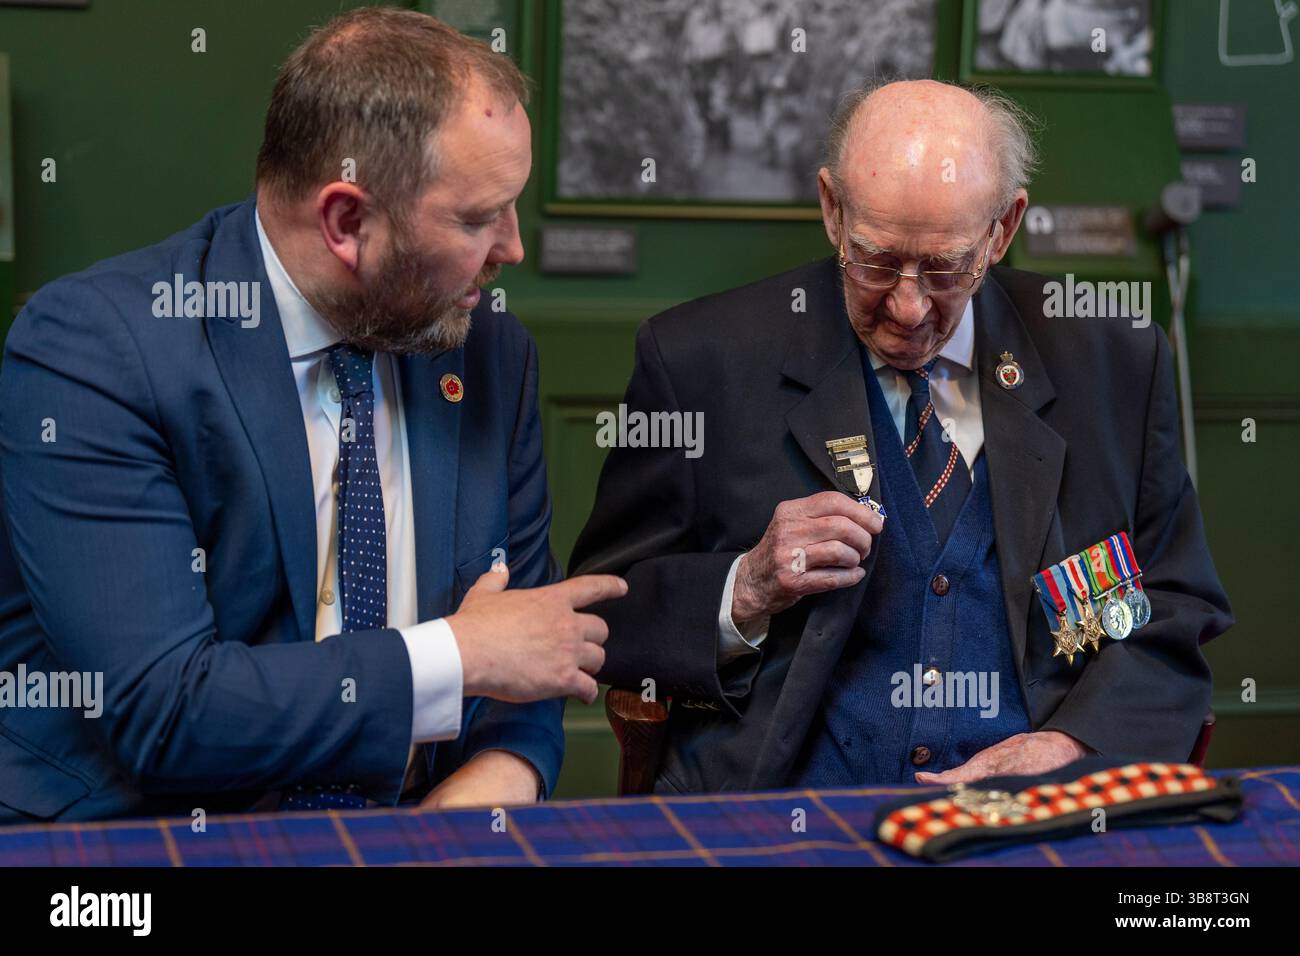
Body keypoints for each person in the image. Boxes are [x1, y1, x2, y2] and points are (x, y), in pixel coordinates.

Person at [0, 7, 624, 824]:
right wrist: (457, 656)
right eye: (476, 219)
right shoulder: (96, 352)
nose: (511, 247)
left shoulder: (488, 350)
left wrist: (502, 772)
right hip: (143, 839)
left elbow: (529, 640)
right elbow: (165, 712)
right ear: (345, 220)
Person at [570, 79, 1232, 793]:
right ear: (831, 209)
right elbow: (606, 611)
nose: (908, 308)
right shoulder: (701, 362)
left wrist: (1070, 745)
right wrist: (746, 587)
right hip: (788, 813)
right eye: (876, 260)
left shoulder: (1115, 363)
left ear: (1002, 230)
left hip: (1028, 815)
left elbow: (1174, 605)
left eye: (946, 269)